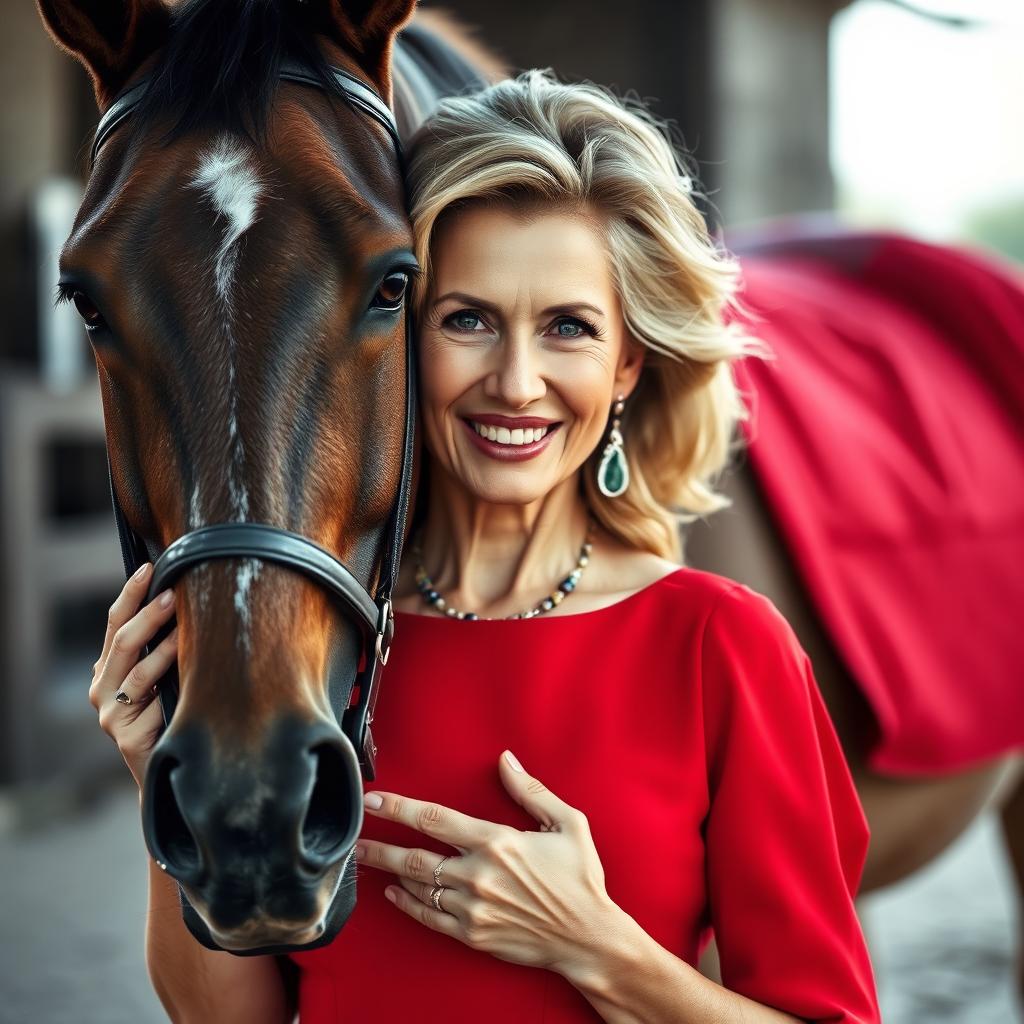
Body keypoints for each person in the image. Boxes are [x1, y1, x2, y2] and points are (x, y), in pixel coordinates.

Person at [91, 69, 881, 1022]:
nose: (516, 381)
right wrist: (161, 797)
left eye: (569, 328)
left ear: (627, 361)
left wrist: (596, 946)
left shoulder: (722, 646)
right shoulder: (310, 648)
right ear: (403, 339)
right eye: (466, 319)